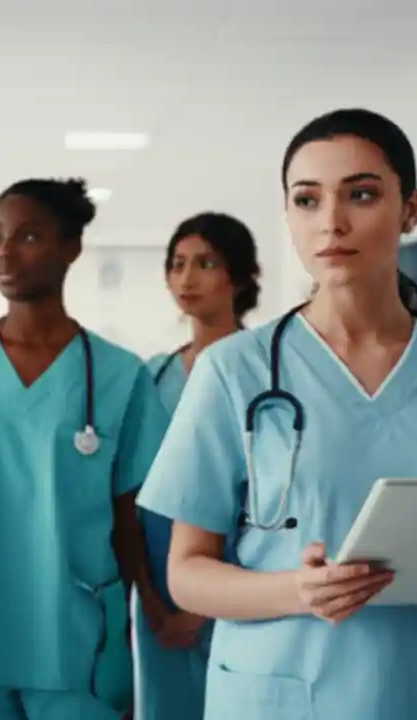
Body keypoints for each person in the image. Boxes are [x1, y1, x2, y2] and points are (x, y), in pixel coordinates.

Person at [134, 108, 417, 720]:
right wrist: (298, 591)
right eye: (306, 201)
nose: (331, 222)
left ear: (410, 209)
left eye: (361, 194)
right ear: (287, 215)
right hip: (277, 693)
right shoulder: (234, 371)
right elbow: (187, 575)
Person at [0, 178, 169, 720]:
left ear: (71, 248)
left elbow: (128, 516)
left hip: (76, 640)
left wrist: (151, 613)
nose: (6, 252)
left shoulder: (118, 376)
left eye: (29, 236)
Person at [137, 212, 261, 720]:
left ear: (239, 275)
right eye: (178, 263)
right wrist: (156, 604)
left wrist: (203, 603)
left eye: (205, 263)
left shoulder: (266, 371)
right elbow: (135, 494)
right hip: (161, 593)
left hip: (244, 580)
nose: (186, 278)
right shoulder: (153, 376)